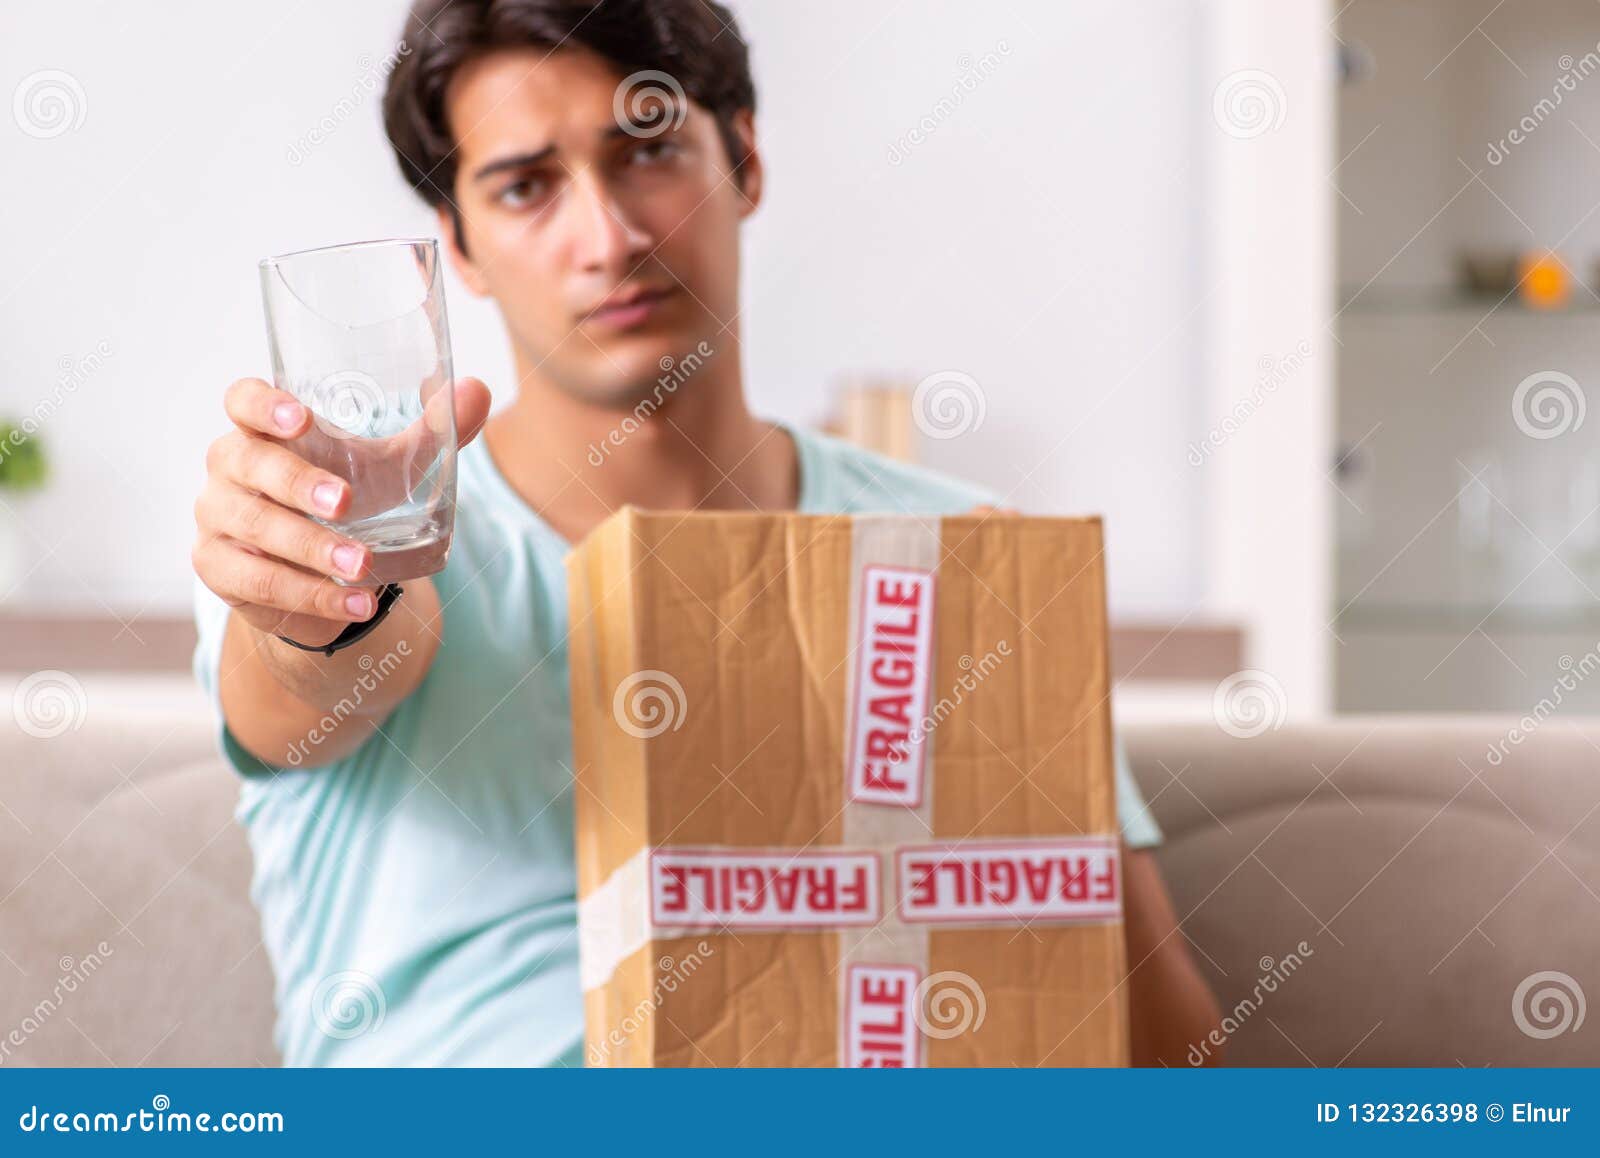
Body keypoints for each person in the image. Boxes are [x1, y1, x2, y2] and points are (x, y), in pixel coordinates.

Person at [190, 0, 1221, 1066]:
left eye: (648, 151)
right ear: (461, 246)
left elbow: (1163, 1053)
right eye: (525, 186)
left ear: (746, 161)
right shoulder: (363, 530)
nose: (611, 238)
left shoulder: (953, 552)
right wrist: (327, 604)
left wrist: (1029, 723)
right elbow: (327, 664)